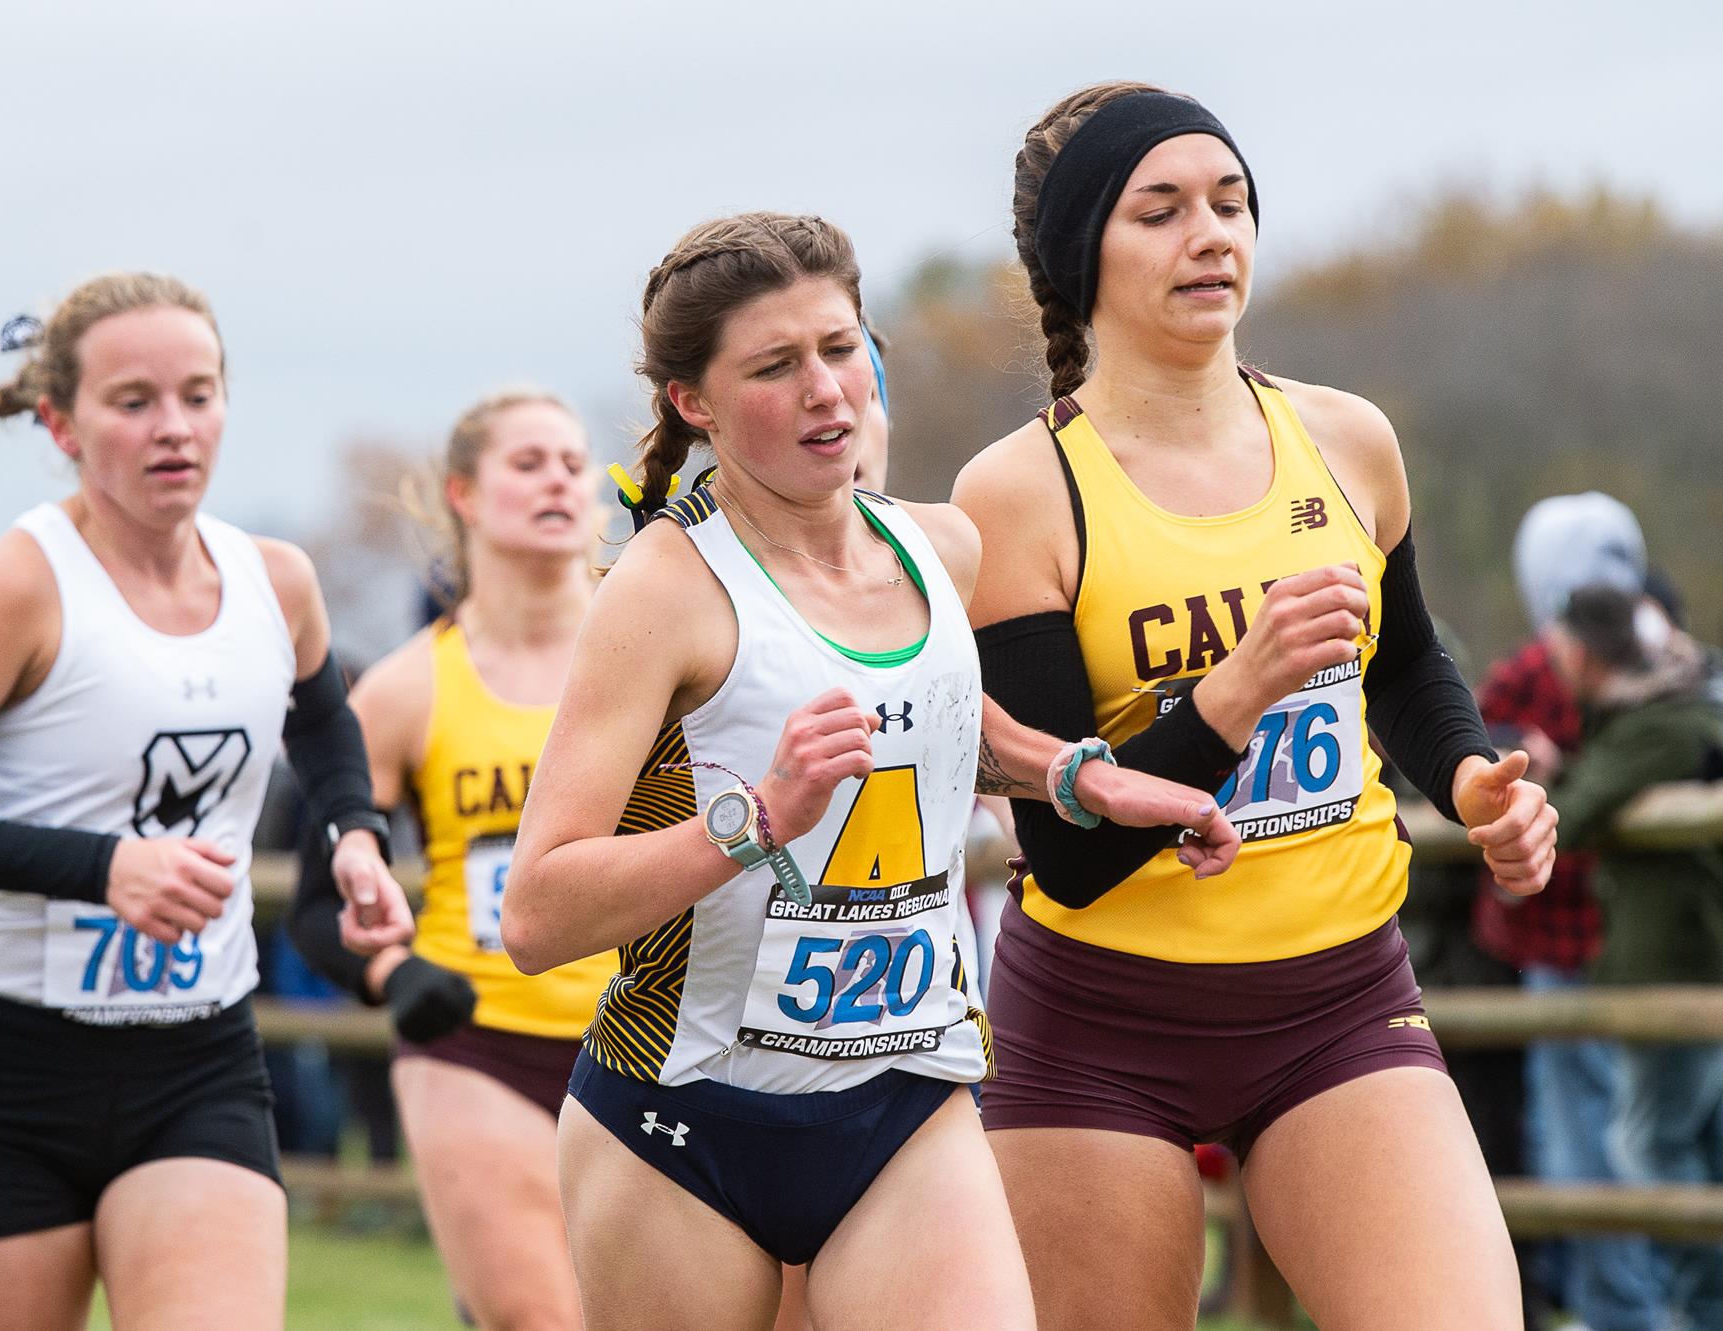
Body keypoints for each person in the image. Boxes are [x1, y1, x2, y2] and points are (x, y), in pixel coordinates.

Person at [501, 211, 1238, 1331]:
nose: (824, 391)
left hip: (904, 1101)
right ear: (693, 403)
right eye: (773, 366)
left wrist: (1085, 777)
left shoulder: (937, 546)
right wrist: (756, 821)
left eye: (840, 349)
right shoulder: (661, 593)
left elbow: (944, 725)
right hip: (684, 1121)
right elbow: (538, 911)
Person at [953, 83, 1558, 1330]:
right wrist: (1234, 690)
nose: (1209, 234)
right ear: (1082, 258)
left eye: (1229, 202)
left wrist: (1469, 780)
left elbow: (1399, 665)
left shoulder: (1344, 438)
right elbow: (1066, 852)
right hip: (1095, 1027)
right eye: (1159, 210)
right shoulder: (1016, 492)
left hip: (1340, 1002)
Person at [0, 272, 412, 1331]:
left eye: (198, 394)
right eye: (133, 400)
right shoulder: (18, 585)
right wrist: (104, 867)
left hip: (196, 1057)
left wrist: (355, 839)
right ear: (60, 422)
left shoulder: (275, 582)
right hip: (0, 1071)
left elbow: (326, 730)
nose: (174, 428)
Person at [288, 387, 620, 1331]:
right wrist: (394, 973)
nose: (559, 477)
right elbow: (317, 904)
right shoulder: (402, 690)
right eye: (528, 462)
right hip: (479, 1043)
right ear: (464, 495)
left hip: (657, 1038)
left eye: (572, 460)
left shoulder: (660, 647)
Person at [1477, 492, 1659, 1331]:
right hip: (1571, 941)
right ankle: (1614, 1304)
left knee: (1615, 1138)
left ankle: (1627, 1305)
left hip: (1611, 943)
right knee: (1593, 1135)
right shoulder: (1531, 678)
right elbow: (1474, 739)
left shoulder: (1619, 664)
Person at [1546, 584, 1723, 1331]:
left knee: (1646, 1140)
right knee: (1687, 1137)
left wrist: (1554, 774)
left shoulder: (1656, 725)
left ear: (1586, 654)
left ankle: (1698, 1309)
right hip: (1682, 959)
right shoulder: (1665, 710)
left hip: (1676, 964)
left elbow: (1578, 811)